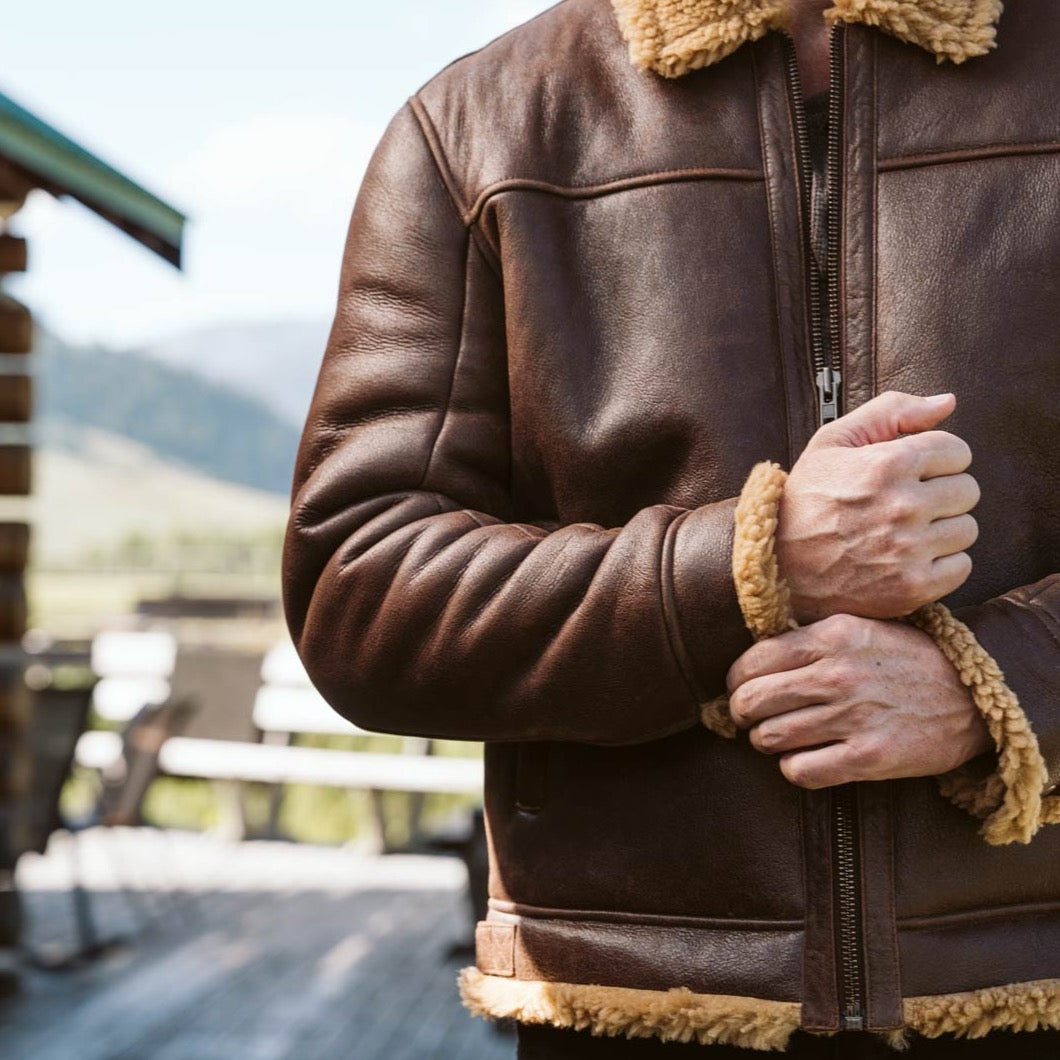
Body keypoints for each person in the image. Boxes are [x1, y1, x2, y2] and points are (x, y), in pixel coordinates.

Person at [281, 0, 1060, 1055]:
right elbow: (359, 591)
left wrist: (1001, 689)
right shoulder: (478, 125)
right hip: (636, 999)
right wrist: (751, 565)